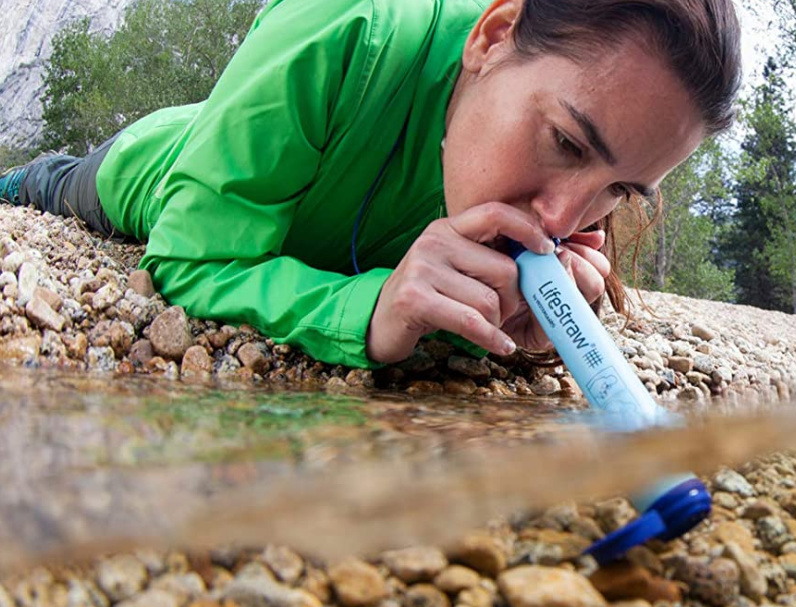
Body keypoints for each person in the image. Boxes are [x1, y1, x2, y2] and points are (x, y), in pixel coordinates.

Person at [0, 0, 741, 369]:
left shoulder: (557, 206)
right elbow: (187, 262)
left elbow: (453, 308)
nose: (559, 219)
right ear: (491, 35)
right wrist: (370, 309)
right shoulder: (342, 24)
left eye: (620, 190)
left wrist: (518, 326)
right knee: (53, 184)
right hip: (153, 164)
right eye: (567, 142)